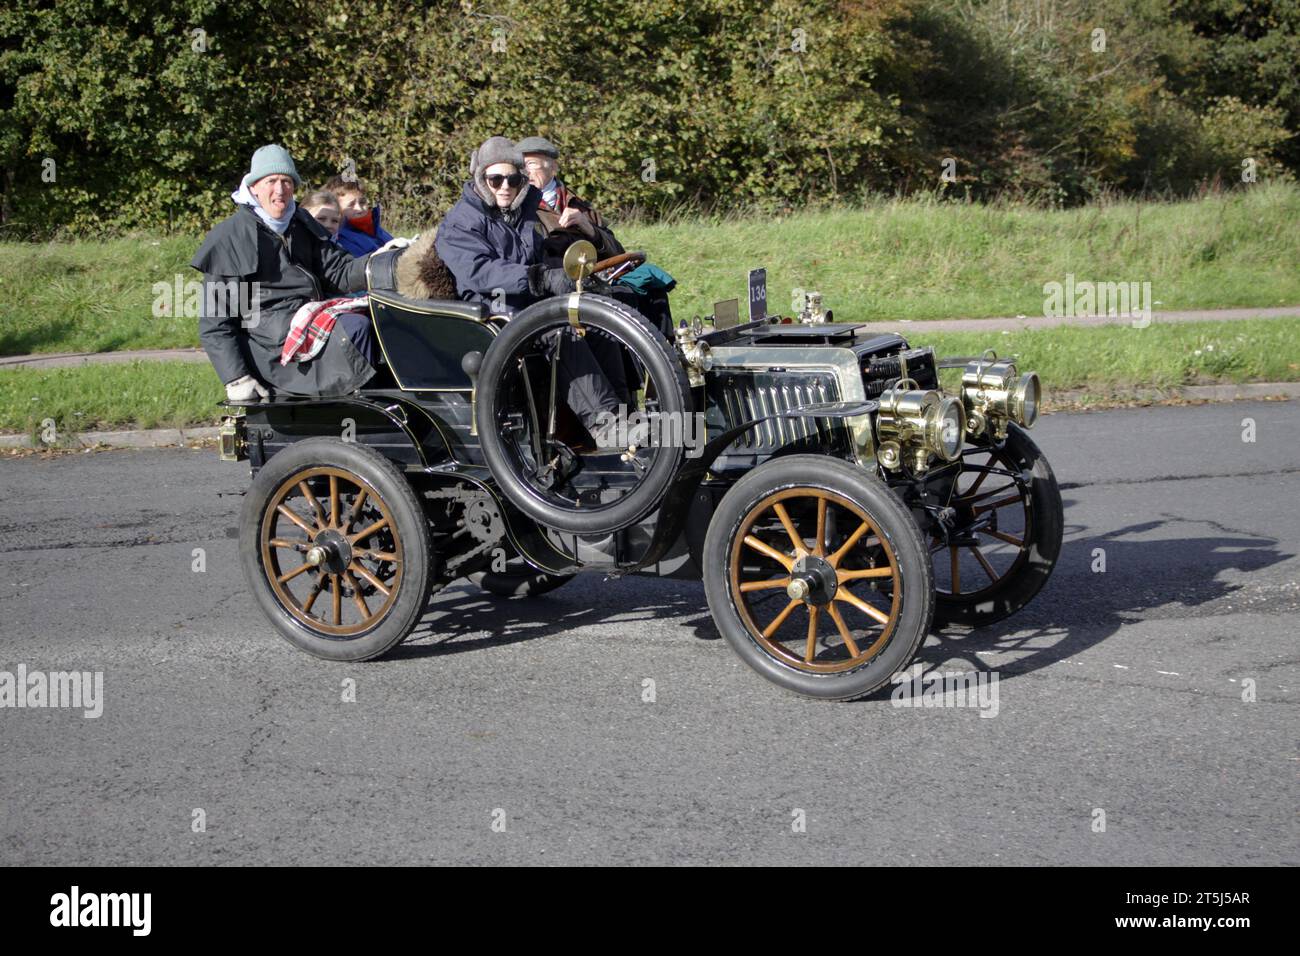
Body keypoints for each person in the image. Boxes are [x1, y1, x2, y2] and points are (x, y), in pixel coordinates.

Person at [435, 136, 638, 449]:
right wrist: (540, 279)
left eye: (513, 179)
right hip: (489, 314)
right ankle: (606, 426)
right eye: (495, 179)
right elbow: (480, 272)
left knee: (598, 321)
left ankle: (627, 418)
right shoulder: (460, 222)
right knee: (559, 333)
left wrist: (574, 280)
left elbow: (537, 258)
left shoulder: (522, 215)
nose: (505, 186)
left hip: (527, 305)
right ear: (481, 179)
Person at [192, 144, 377, 399]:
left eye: (287, 181)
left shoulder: (301, 222)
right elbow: (215, 321)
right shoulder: (230, 237)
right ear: (254, 186)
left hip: (309, 323)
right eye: (271, 181)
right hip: (271, 351)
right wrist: (236, 378)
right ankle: (361, 404)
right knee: (354, 327)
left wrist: (387, 263)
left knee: (381, 318)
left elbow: (340, 271)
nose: (280, 190)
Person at [518, 135, 674, 337]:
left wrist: (588, 227)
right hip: (558, 286)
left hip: (596, 279)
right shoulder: (520, 208)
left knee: (653, 291)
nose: (526, 172)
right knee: (625, 299)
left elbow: (617, 252)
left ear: (553, 167)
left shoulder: (578, 204)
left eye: (531, 164)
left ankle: (669, 359)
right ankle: (631, 366)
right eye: (522, 166)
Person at [327, 174, 397, 257]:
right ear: (336, 208)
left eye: (362, 202)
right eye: (351, 205)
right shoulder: (340, 239)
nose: (359, 209)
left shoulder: (376, 228)